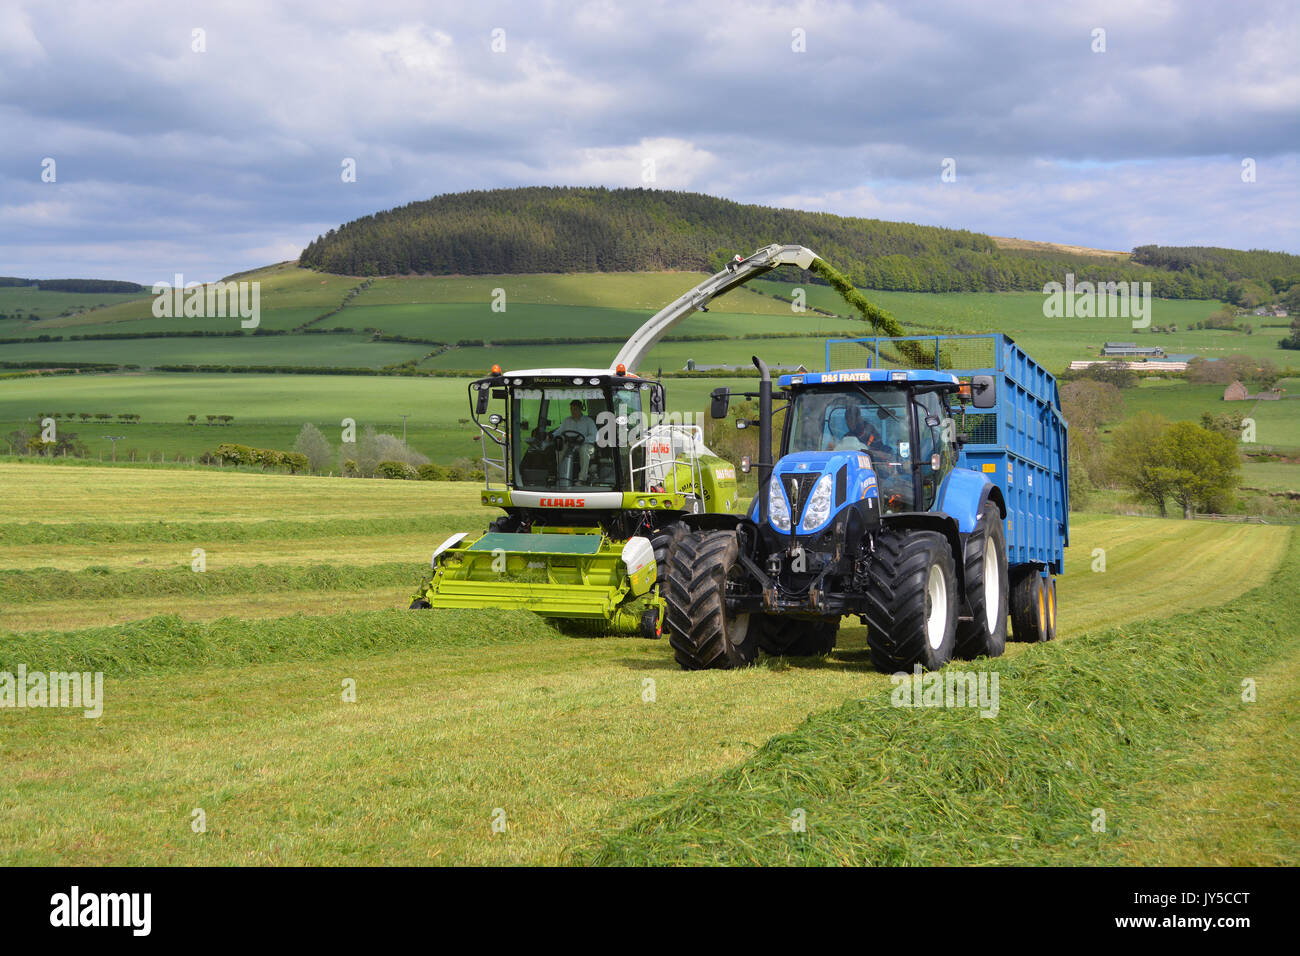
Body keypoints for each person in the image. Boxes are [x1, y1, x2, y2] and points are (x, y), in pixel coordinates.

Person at [555, 399, 597, 484]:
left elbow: (594, 436)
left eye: (575, 409)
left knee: (584, 450)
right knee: (559, 448)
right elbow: (559, 431)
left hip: (585, 444)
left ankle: (582, 479)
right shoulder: (567, 420)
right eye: (571, 409)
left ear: (580, 409)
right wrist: (551, 435)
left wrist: (584, 439)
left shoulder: (588, 421)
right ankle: (560, 474)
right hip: (569, 444)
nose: (572, 411)